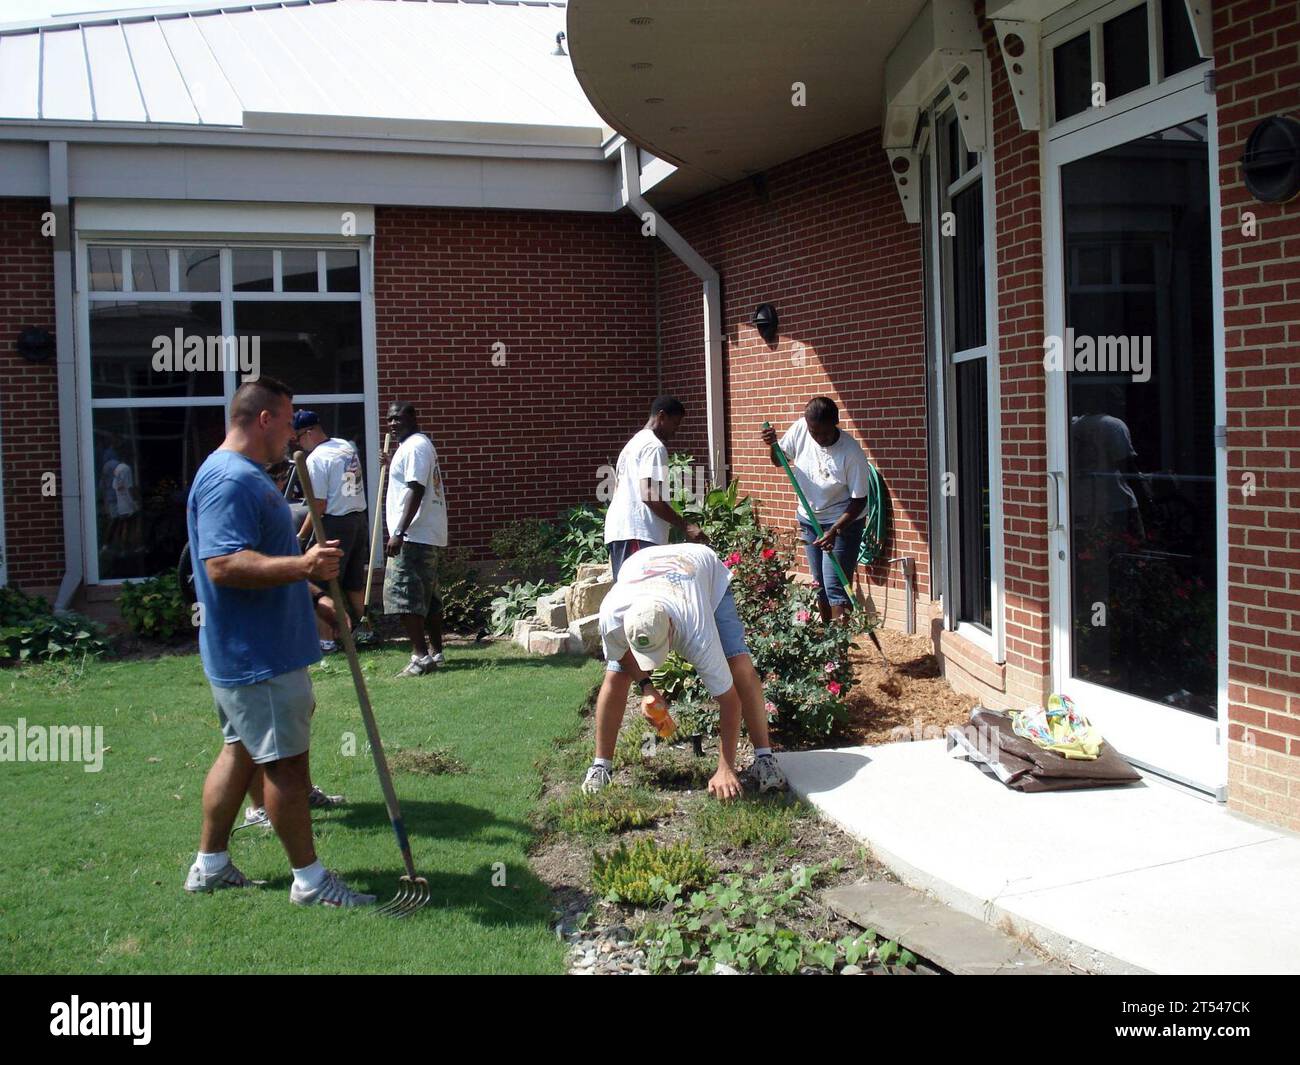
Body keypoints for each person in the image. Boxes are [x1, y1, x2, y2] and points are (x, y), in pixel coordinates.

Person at [183, 375, 374, 907]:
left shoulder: (243, 475)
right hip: (258, 653)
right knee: (286, 764)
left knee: (240, 751)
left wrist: (313, 595)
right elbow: (223, 564)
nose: (294, 434)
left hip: (250, 649)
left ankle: (210, 866)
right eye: (289, 421)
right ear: (263, 418)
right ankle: (311, 883)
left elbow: (261, 554)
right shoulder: (231, 481)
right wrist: (305, 563)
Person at [580, 543, 788, 800]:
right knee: (616, 674)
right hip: (641, 564)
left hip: (701, 568)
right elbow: (621, 655)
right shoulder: (613, 616)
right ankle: (601, 766)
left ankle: (764, 758)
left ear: (670, 628)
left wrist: (725, 768)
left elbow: (729, 700)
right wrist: (647, 688)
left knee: (739, 664)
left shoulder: (695, 626)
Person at [761, 396, 871, 621]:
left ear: (836, 422)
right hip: (809, 519)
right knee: (819, 584)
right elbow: (779, 461)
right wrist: (773, 446)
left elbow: (859, 500)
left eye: (825, 433)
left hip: (843, 522)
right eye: (814, 433)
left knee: (836, 588)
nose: (819, 438)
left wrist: (835, 531)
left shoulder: (851, 453)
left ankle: (839, 652)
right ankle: (827, 645)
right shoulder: (801, 428)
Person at [292, 410, 371, 652]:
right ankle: (365, 631)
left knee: (323, 581)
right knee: (355, 582)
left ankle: (326, 640)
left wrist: (301, 536)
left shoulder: (317, 459)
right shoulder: (346, 446)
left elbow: (318, 505)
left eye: (297, 438)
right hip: (359, 518)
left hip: (336, 524)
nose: (298, 445)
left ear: (307, 433)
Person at [604, 397, 705, 580]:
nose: (676, 430)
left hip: (622, 531)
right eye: (675, 423)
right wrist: (686, 526)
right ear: (662, 416)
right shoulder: (654, 447)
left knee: (629, 596)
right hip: (637, 532)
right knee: (640, 597)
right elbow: (648, 494)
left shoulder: (633, 444)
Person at [383, 401, 447, 677]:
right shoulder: (412, 448)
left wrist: (398, 532)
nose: (393, 423)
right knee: (429, 598)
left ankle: (420, 657)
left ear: (413, 417)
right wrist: (391, 463)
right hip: (423, 534)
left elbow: (416, 489)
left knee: (403, 595)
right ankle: (436, 652)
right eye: (389, 419)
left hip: (413, 535)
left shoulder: (415, 446)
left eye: (398, 418)